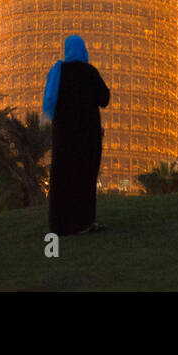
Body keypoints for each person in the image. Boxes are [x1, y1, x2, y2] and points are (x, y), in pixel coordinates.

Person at [41, 35, 110, 235]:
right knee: (85, 178)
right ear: (83, 50)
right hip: (87, 137)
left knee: (62, 178)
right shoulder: (90, 73)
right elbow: (104, 99)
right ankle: (84, 223)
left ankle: (59, 225)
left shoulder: (58, 71)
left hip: (64, 138)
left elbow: (50, 101)